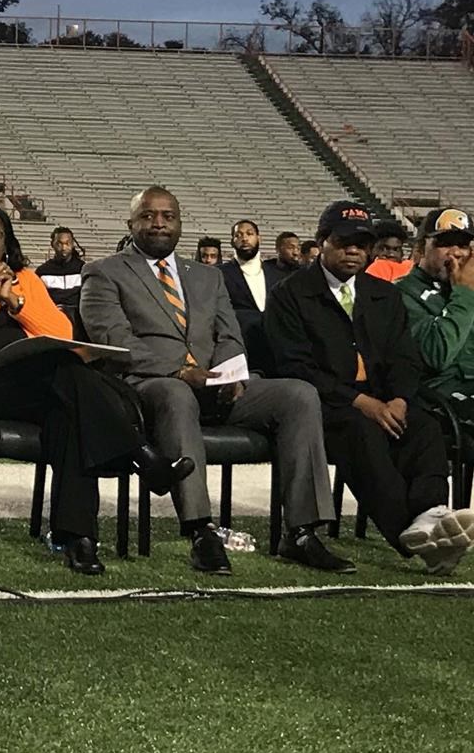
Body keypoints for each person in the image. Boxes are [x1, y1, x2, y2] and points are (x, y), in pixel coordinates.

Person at [82, 187, 349, 575]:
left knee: (299, 394)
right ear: (131, 223)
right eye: (148, 216)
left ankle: (302, 532)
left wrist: (230, 372)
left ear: (179, 223)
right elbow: (113, 341)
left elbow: (229, 335)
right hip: (150, 386)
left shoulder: (208, 276)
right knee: (176, 393)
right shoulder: (104, 272)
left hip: (214, 386)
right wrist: (180, 370)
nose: (159, 223)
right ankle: (201, 531)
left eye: (168, 216)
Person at [0, 203, 186, 575]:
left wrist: (15, 302)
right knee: (68, 374)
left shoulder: (26, 280)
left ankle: (79, 539)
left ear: (7, 243)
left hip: (46, 389)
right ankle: (141, 454)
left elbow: (62, 335)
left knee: (71, 415)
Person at [266, 201, 474, 574]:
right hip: (326, 404)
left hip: (383, 400)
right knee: (362, 433)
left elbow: (405, 359)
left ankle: (431, 514)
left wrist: (400, 399)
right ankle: (410, 534)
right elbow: (295, 366)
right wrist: (361, 401)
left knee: (424, 426)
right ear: (322, 241)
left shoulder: (383, 294)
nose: (354, 250)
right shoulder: (290, 293)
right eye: (344, 241)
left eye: (362, 244)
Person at [395, 208, 474, 420]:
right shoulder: (400, 294)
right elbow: (437, 355)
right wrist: (464, 294)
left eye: (463, 245)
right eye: (445, 243)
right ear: (421, 248)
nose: (456, 253)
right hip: (438, 400)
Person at [220, 218, 283, 370]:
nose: (244, 238)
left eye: (249, 233)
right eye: (238, 235)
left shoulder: (278, 274)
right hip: (240, 353)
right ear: (232, 241)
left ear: (259, 238)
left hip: (275, 354)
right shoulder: (219, 274)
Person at [34, 226, 85, 323]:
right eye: (59, 244)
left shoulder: (83, 269)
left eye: (67, 243)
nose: (64, 248)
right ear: (52, 244)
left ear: (72, 244)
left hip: (78, 319)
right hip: (51, 317)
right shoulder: (43, 271)